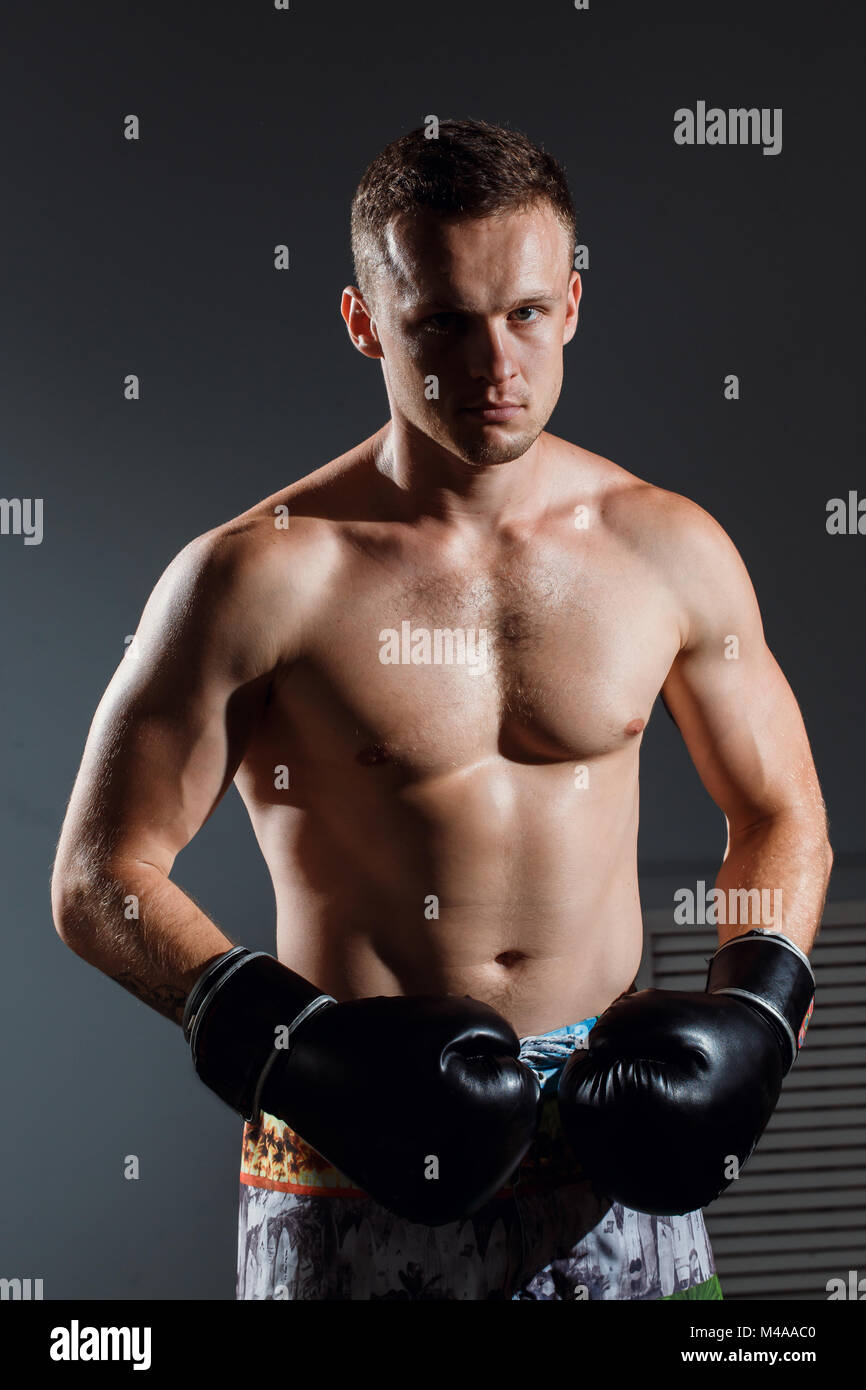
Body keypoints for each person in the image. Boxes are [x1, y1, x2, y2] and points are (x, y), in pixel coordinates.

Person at [51, 118, 832, 1300]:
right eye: (440, 326)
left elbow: (778, 806)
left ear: (570, 303)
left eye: (523, 314)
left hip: (612, 1132)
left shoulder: (666, 548)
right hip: (351, 1137)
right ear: (366, 322)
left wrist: (761, 1006)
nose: (491, 368)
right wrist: (296, 1051)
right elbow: (100, 877)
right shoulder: (259, 575)